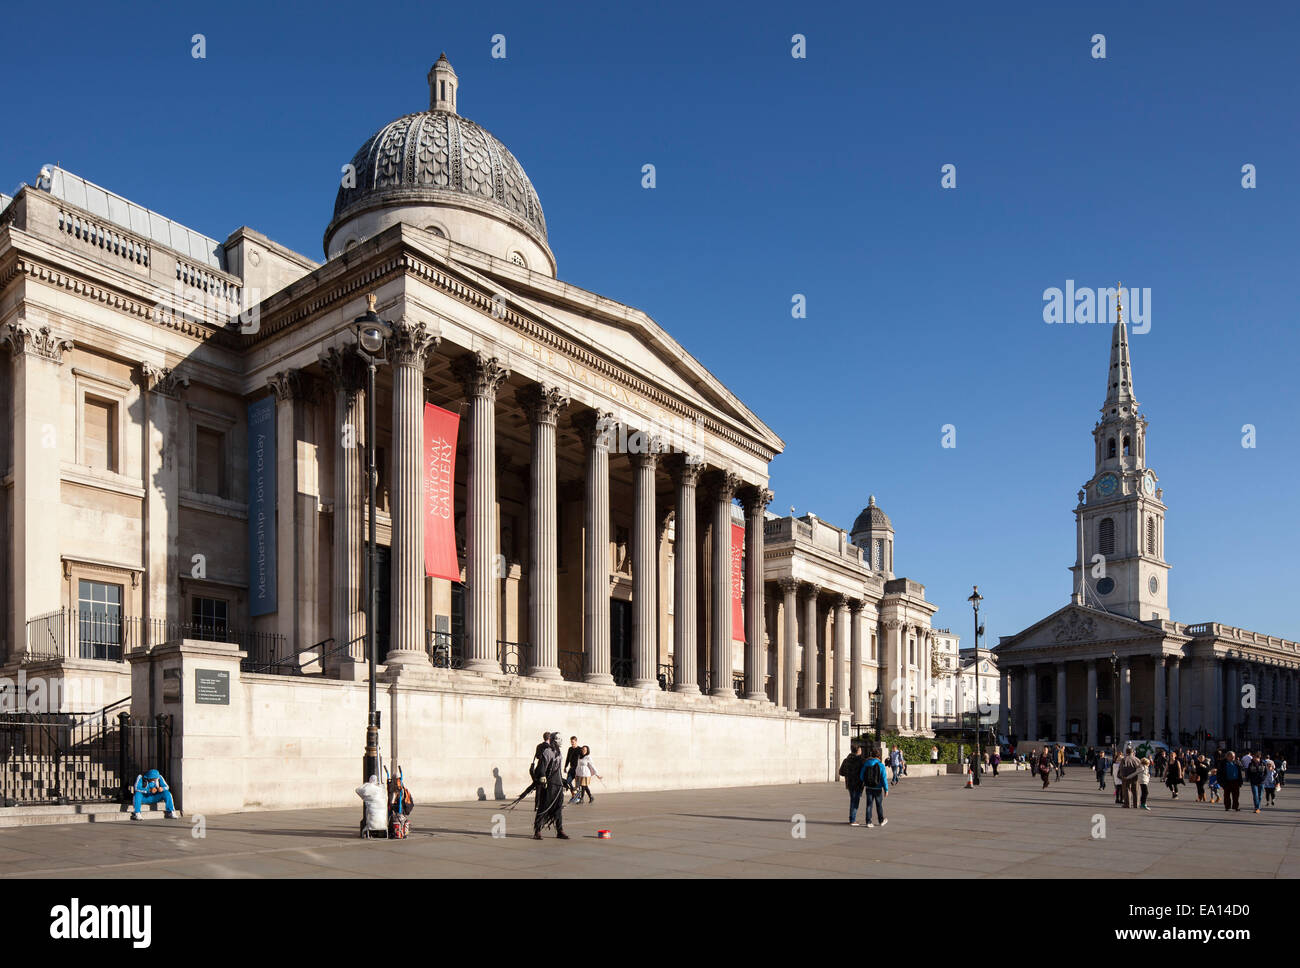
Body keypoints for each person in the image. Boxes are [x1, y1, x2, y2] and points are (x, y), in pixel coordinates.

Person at [531, 729, 568, 840]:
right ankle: (537, 831)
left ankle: (560, 830)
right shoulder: (547, 751)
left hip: (558, 785)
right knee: (543, 807)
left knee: (558, 808)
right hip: (549, 785)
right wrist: (542, 776)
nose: (560, 741)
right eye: (558, 739)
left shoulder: (559, 753)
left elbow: (558, 769)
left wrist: (563, 781)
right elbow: (541, 766)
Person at [859, 748, 889, 827]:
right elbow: (884, 778)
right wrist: (886, 789)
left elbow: (861, 776)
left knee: (869, 805)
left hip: (869, 787)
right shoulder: (881, 765)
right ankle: (881, 820)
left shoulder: (866, 764)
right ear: (879, 756)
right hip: (878, 788)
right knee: (879, 805)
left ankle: (868, 822)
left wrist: (866, 782)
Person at [839, 744, 866, 825]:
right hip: (858, 783)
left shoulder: (846, 760)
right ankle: (852, 820)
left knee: (852, 800)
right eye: (860, 749)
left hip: (850, 783)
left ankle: (852, 818)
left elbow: (841, 772)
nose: (861, 751)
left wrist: (849, 774)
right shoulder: (861, 760)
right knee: (855, 802)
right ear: (858, 751)